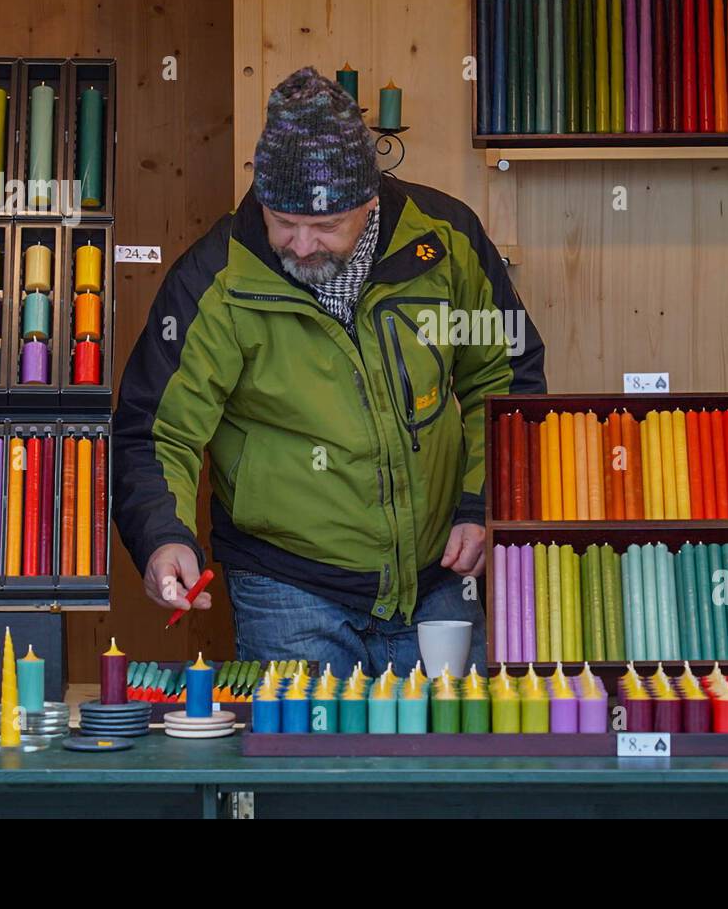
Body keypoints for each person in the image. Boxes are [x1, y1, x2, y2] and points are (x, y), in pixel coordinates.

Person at [112, 66, 546, 675]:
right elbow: (158, 432)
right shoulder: (213, 279)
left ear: (370, 202)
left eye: (325, 226)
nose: (302, 245)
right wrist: (165, 537)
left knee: (449, 765)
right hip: (288, 591)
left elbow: (504, 376)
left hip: (445, 576)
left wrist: (482, 505)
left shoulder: (445, 240)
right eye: (283, 222)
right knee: (313, 767)